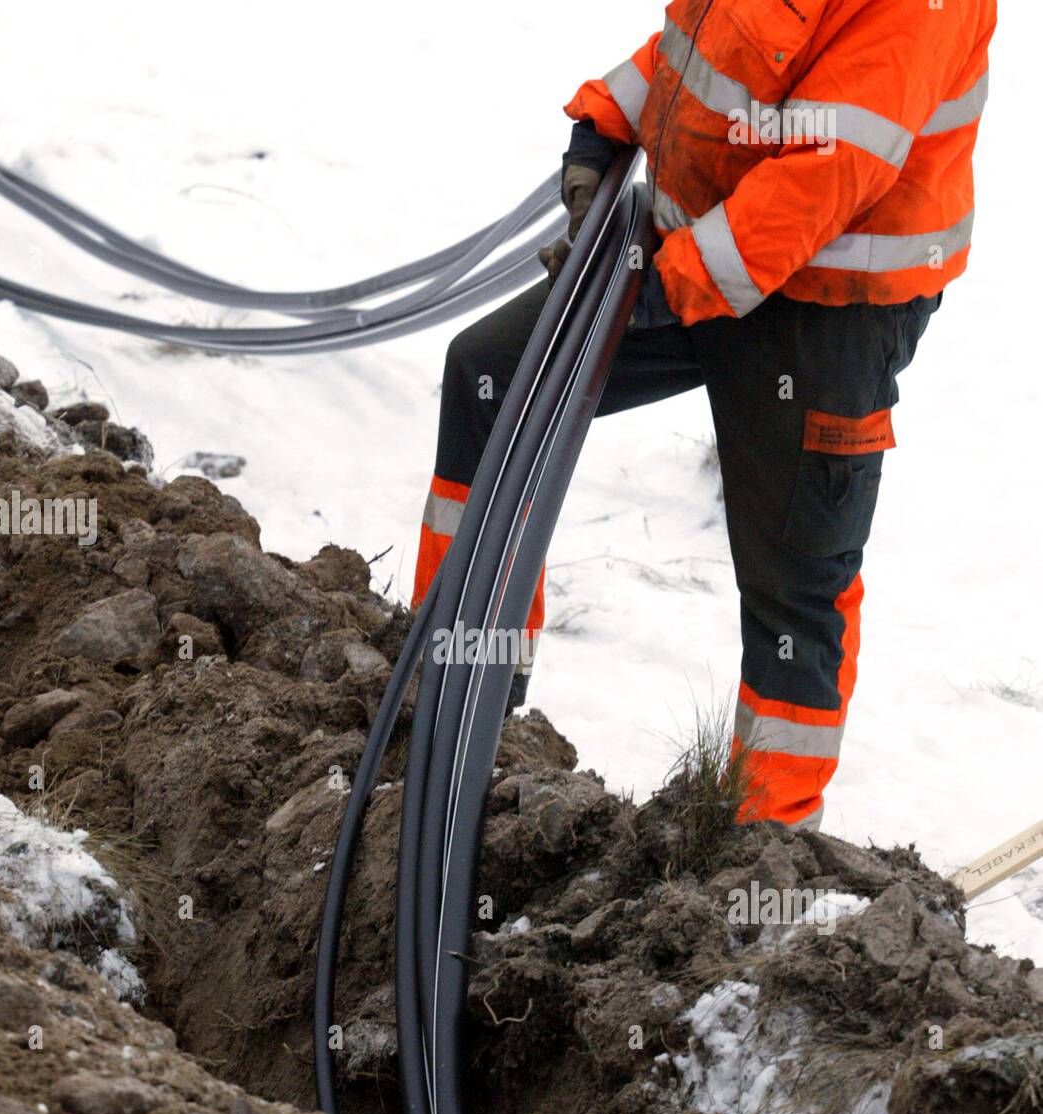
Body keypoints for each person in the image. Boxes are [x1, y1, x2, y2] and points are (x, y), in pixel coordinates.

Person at [412, 0, 995, 832]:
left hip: (823, 309)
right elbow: (706, 55)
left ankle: (765, 841)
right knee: (493, 380)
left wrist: (659, 287)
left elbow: (827, 168)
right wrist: (605, 124)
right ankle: (458, 698)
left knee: (794, 581)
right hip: (695, 252)